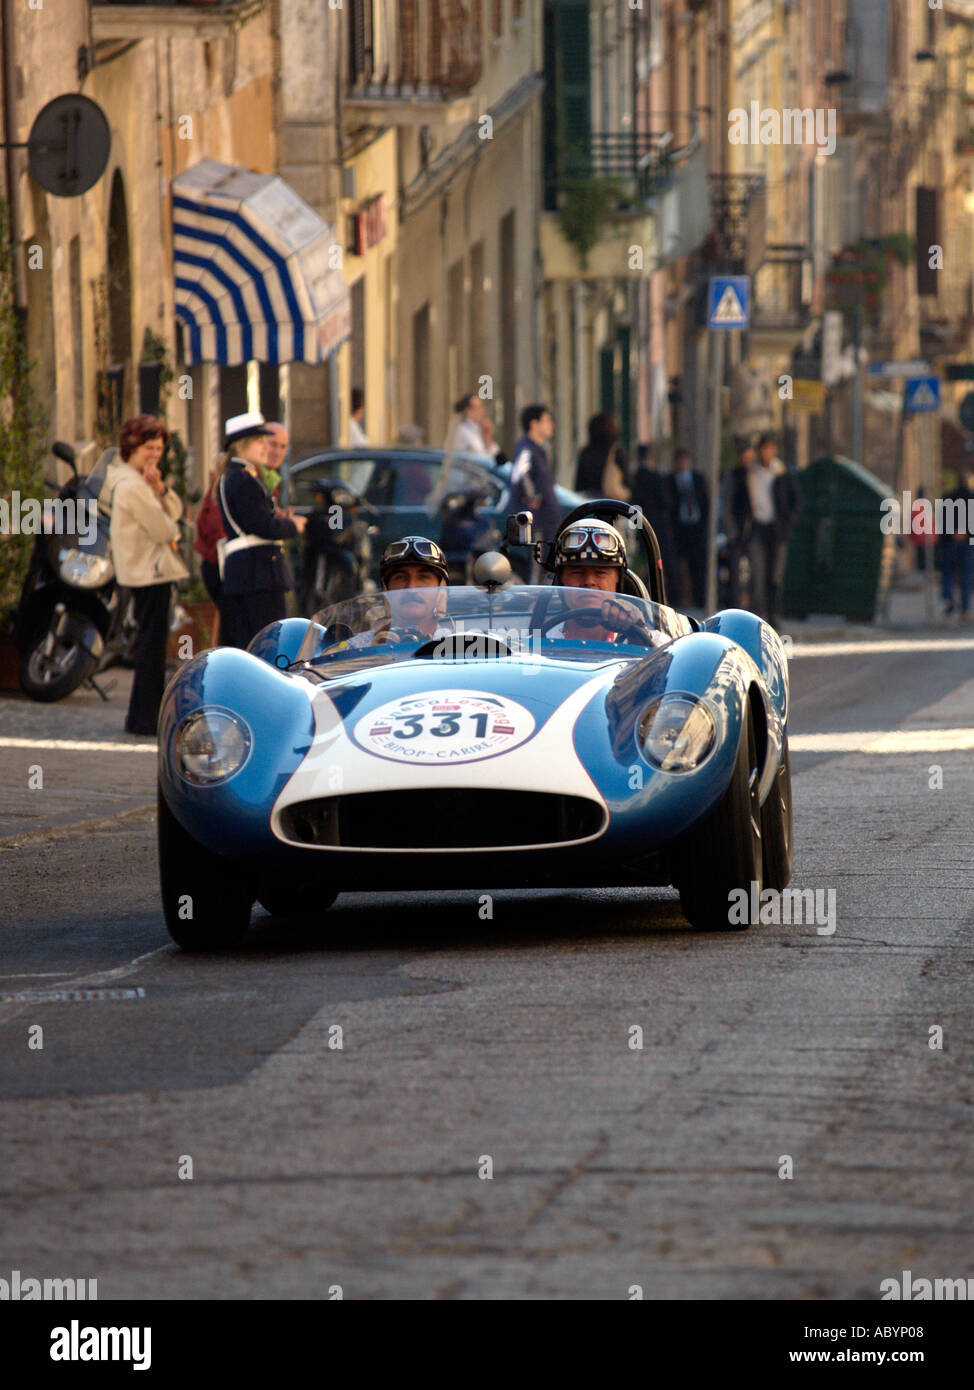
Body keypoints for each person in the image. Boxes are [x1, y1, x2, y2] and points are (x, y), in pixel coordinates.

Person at [109, 415, 189, 735]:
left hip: (151, 571)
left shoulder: (141, 481)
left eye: (159, 448)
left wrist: (161, 488)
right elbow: (165, 528)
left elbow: (177, 511)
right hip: (148, 572)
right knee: (150, 649)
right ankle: (144, 719)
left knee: (152, 647)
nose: (155, 454)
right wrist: (169, 522)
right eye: (149, 447)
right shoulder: (129, 484)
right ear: (132, 446)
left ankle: (144, 717)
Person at [217, 411, 307, 649]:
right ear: (242, 444)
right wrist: (292, 526)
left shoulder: (239, 475)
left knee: (252, 642)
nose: (265, 447)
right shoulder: (244, 478)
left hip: (250, 571)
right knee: (266, 644)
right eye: (259, 441)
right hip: (258, 573)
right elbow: (261, 525)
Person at [547, 518, 669, 646]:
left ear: (618, 579)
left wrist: (638, 636)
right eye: (577, 572)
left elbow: (662, 664)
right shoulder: (536, 645)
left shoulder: (659, 644)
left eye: (600, 572)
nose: (589, 581)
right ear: (561, 580)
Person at [727, 431, 801, 625]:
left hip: (776, 531)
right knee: (757, 573)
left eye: (769, 449)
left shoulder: (782, 474)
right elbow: (736, 501)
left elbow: (795, 502)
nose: (765, 453)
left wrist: (787, 523)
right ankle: (759, 616)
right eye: (762, 449)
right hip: (755, 529)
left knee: (774, 575)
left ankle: (773, 613)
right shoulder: (749, 473)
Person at [339, 537, 452, 648]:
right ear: (386, 588)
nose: (411, 589)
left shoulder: (463, 644)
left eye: (423, 577)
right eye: (400, 578)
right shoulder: (356, 648)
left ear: (441, 589)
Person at [510, 404, 559, 581]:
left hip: (545, 523)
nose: (551, 424)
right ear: (534, 424)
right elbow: (520, 474)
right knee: (536, 571)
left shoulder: (538, 450)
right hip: (536, 522)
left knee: (543, 569)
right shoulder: (526, 448)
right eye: (546, 420)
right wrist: (532, 496)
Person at [193, 471, 235, 647]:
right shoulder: (220, 500)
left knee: (226, 621)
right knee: (230, 625)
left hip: (213, 564)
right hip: (219, 565)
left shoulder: (213, 497)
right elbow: (216, 531)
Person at [631, 443, 679, 598]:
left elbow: (635, 504)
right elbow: (666, 502)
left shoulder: (637, 477)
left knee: (645, 558)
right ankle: (672, 594)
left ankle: (643, 591)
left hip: (643, 523)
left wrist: (636, 526)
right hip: (659, 524)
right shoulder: (657, 477)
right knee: (663, 560)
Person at [667, 447, 709, 608]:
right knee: (677, 565)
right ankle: (679, 597)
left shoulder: (697, 479)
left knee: (698, 564)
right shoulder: (670, 480)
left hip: (696, 527)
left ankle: (700, 597)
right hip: (680, 527)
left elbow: (704, 502)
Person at [938, 470, 974, 619]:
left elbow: (941, 521)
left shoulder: (947, 498)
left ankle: (949, 597)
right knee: (966, 575)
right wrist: (965, 532)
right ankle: (965, 610)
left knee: (947, 572)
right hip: (968, 542)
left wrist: (952, 533)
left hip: (949, 541)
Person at [574, 413, 630, 500]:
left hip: (589, 501)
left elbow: (579, 485)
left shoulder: (586, 452)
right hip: (612, 502)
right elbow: (627, 480)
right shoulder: (616, 452)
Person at [447, 393, 501, 460]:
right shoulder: (462, 431)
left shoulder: (479, 429)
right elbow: (482, 457)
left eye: (482, 407)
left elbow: (496, 456)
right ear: (468, 411)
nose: (482, 411)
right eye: (478, 408)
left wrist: (488, 437)